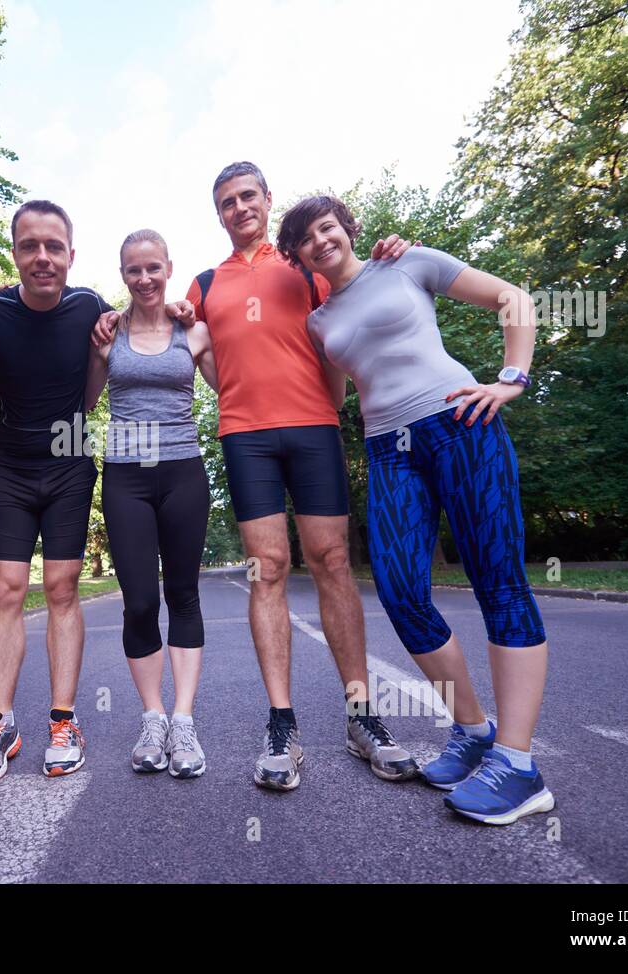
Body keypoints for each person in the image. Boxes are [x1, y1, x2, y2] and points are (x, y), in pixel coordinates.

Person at [97, 162, 418, 792]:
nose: (239, 207)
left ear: (268, 200)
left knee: (329, 561)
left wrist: (392, 254)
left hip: (314, 432)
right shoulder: (204, 283)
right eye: (226, 202)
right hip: (245, 438)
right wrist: (106, 321)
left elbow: (359, 295)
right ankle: (281, 723)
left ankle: (362, 718)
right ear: (217, 214)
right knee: (266, 569)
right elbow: (177, 342)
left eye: (248, 196)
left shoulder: (305, 265)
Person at [277, 193, 553, 825]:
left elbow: (514, 298)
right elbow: (334, 393)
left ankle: (518, 765)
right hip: (389, 450)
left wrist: (512, 379)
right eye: (306, 239)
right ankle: (473, 730)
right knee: (402, 592)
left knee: (499, 585)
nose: (321, 241)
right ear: (300, 257)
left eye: (328, 228)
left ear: (347, 229)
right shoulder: (319, 323)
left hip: (463, 423)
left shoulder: (409, 263)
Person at [0, 200, 186, 785]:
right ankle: (0, 722)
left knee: (61, 587)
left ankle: (64, 720)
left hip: (68, 466)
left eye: (53, 247)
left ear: (70, 255)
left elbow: (146, 322)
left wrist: (189, 305)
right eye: (29, 246)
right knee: (5, 590)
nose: (42, 257)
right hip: (10, 467)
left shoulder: (90, 308)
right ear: (14, 253)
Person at [84, 229, 218, 778]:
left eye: (153, 268)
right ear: (122, 275)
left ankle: (184, 721)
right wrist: (96, 353)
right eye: (134, 270)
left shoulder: (195, 330)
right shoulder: (107, 332)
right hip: (125, 478)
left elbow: (229, 386)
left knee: (182, 593)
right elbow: (88, 400)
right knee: (139, 600)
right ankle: (153, 717)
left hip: (183, 471)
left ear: (168, 269)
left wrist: (201, 332)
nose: (144, 279)